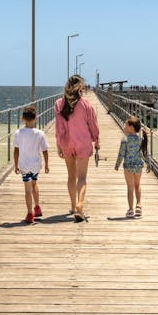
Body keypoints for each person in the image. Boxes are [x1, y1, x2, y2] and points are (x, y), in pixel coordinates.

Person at [54, 75, 99, 222]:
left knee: (71, 176)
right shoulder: (86, 105)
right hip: (83, 143)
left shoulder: (59, 104)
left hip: (67, 144)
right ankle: (80, 205)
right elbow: (93, 125)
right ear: (80, 88)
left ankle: (73, 206)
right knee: (82, 177)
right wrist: (97, 140)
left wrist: (59, 145)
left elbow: (59, 129)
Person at [12, 105, 49, 224]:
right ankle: (37, 207)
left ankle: (29, 213)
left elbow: (16, 150)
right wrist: (47, 164)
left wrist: (15, 165)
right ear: (36, 118)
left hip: (24, 165)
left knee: (27, 190)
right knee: (34, 184)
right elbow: (45, 150)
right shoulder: (40, 133)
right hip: (36, 165)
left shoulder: (18, 133)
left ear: (23, 119)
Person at [114, 115, 150, 218]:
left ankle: (130, 210)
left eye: (126, 126)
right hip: (138, 166)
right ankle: (138, 206)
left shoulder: (125, 139)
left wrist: (117, 164)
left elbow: (121, 154)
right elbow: (145, 153)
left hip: (128, 167)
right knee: (137, 185)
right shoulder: (141, 139)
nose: (124, 128)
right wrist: (148, 164)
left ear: (131, 127)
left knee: (130, 188)